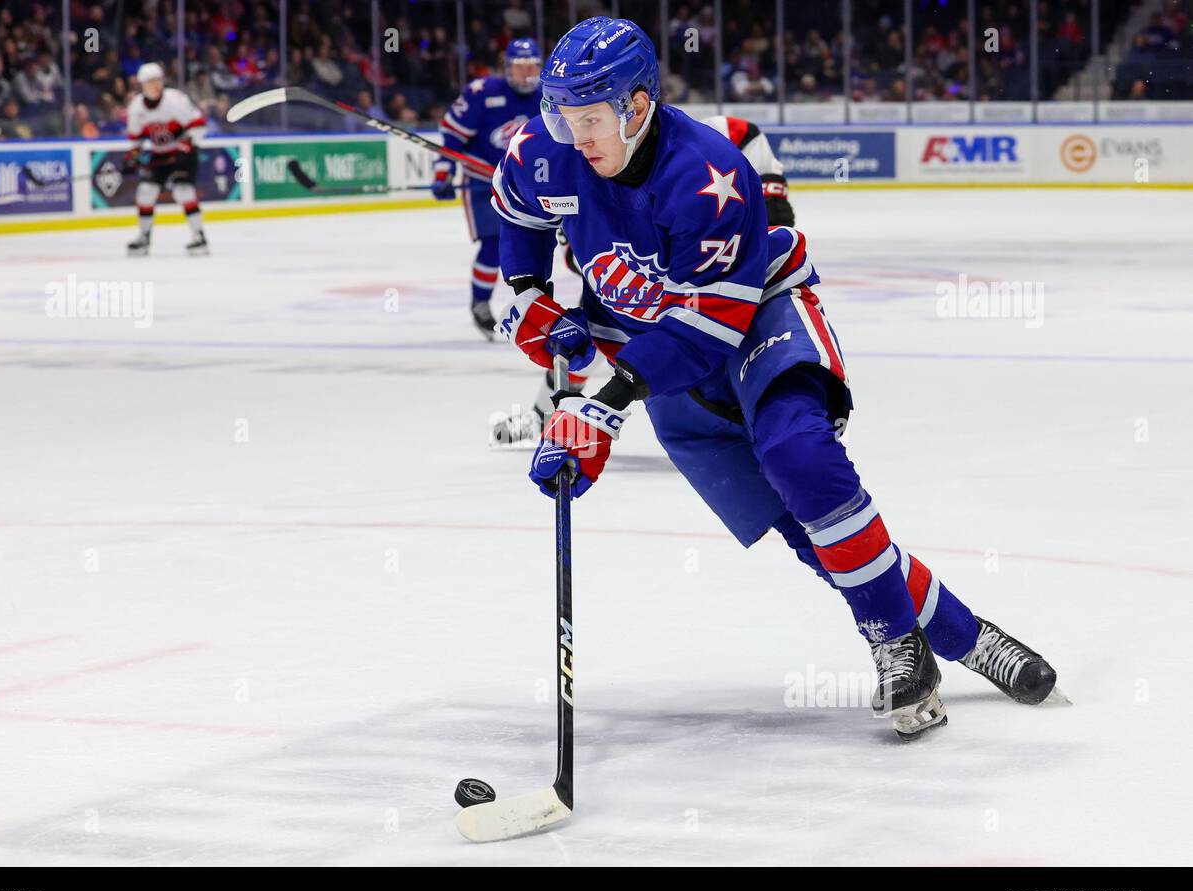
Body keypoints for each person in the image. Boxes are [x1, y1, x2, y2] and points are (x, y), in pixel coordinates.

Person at [491, 18, 1060, 739]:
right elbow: (518, 250)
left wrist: (604, 402)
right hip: (657, 350)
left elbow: (709, 331)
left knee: (800, 458)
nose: (576, 138)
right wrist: (545, 327)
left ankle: (892, 638)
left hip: (758, 317)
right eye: (562, 119)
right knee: (798, 526)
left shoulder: (708, 178)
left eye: (592, 120)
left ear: (637, 107)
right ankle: (962, 635)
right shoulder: (543, 155)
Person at [491, 111, 795, 446]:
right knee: (583, 335)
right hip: (624, 278)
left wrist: (773, 191)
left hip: (690, 268)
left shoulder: (692, 145)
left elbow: (745, 131)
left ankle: (742, 420)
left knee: (695, 340)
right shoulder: (584, 151)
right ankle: (543, 415)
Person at [433, 37, 543, 338]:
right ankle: (480, 303)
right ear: (506, 68)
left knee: (533, 246)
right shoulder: (482, 93)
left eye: (532, 66)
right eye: (520, 67)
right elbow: (452, 137)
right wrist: (443, 171)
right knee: (493, 244)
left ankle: (540, 309)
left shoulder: (548, 95)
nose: (526, 73)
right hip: (483, 181)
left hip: (525, 185)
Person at [124, 62, 208, 256]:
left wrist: (186, 146)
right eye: (150, 82)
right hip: (159, 155)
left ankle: (199, 236)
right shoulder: (136, 107)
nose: (156, 86)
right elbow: (136, 141)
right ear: (142, 85)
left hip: (182, 153)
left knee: (183, 191)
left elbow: (199, 125)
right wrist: (132, 157)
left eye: (158, 81)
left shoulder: (175, 100)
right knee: (145, 192)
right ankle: (144, 238)